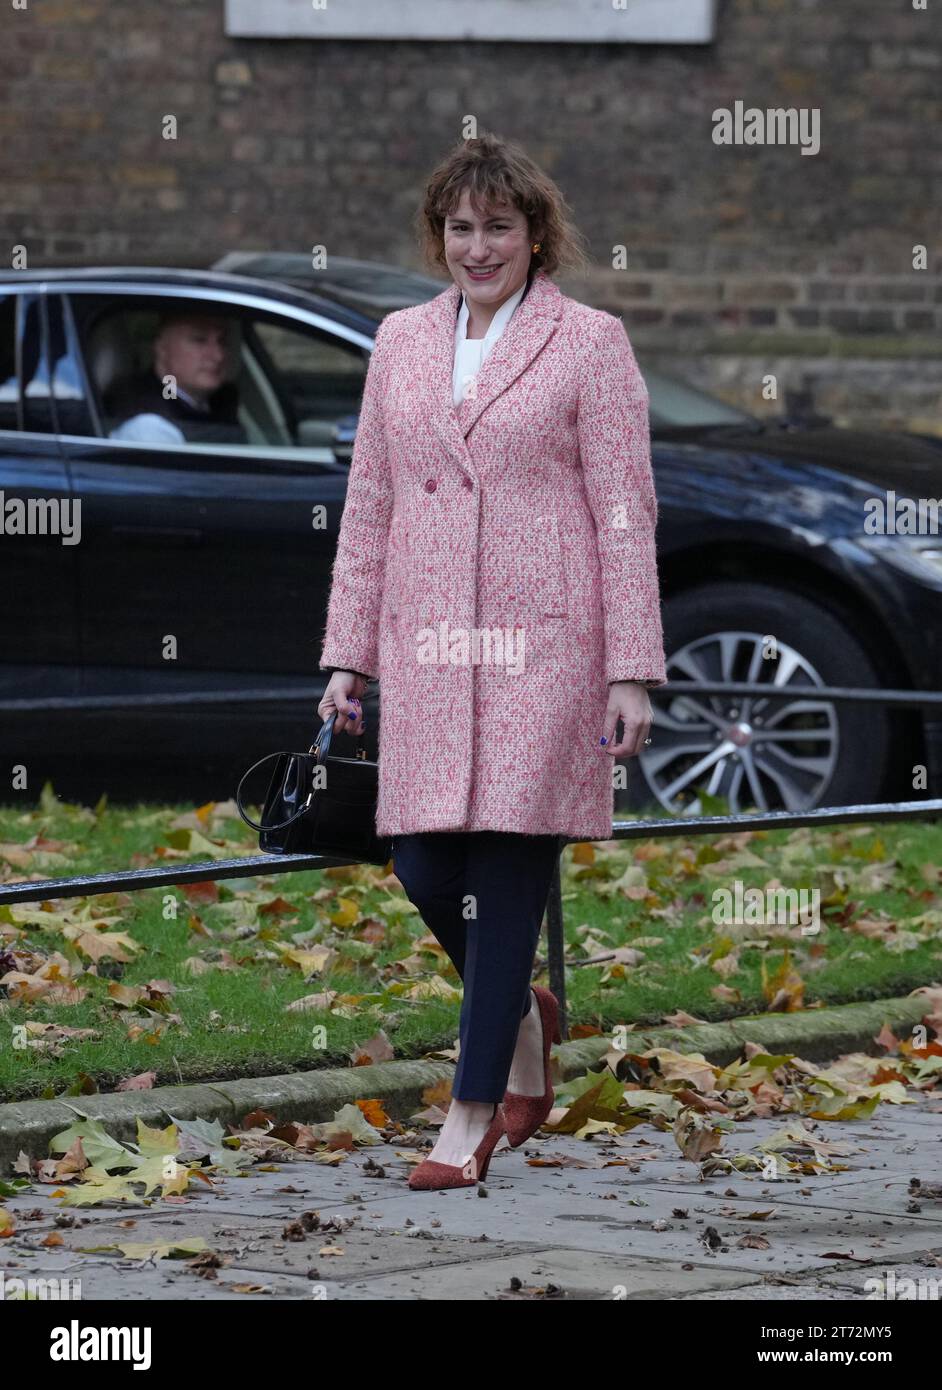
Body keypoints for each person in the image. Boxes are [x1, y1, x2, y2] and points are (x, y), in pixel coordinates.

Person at [317, 132, 667, 1191]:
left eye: (499, 228)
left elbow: (623, 512)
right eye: (461, 228)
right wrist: (347, 656)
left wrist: (630, 666)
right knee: (424, 862)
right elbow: (370, 505)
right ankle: (518, 1011)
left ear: (535, 235)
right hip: (425, 642)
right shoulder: (399, 341)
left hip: (546, 644)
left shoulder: (590, 343)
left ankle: (469, 1117)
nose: (479, 247)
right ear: (439, 235)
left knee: (508, 862)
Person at [107, 310, 248, 445]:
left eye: (222, 341)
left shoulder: (223, 399)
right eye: (199, 340)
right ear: (162, 348)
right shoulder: (146, 422)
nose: (218, 356)